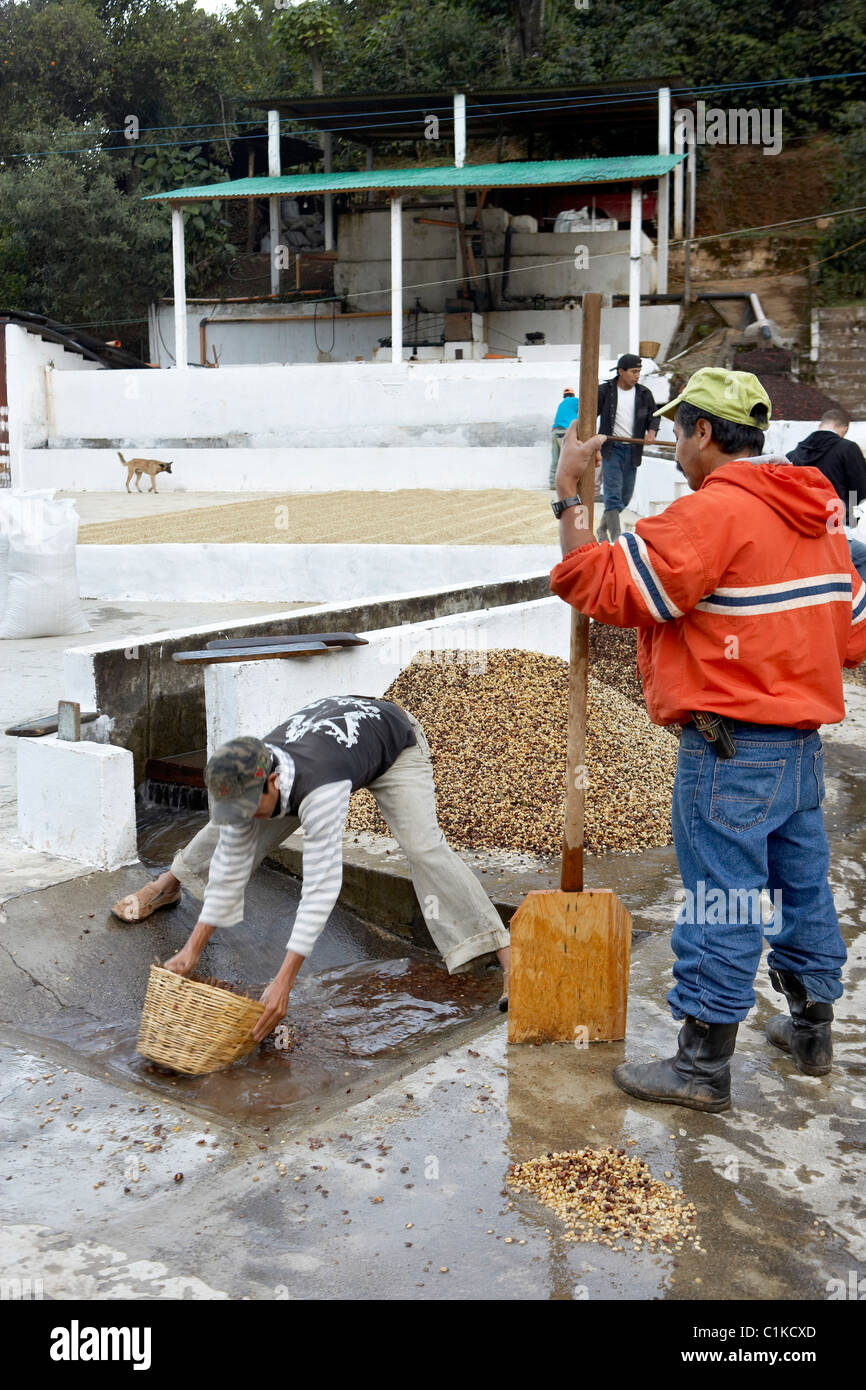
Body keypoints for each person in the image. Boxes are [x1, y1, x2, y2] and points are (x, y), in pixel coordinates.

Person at [548, 367, 866, 1112]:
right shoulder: (817, 516)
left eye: (676, 429)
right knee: (800, 890)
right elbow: (849, 639)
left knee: (722, 902)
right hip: (799, 750)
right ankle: (810, 1031)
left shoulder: (714, 515)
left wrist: (568, 493)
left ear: (703, 432)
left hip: (728, 753)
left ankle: (700, 1069)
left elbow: (597, 585)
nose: (668, 444)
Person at [113, 696, 510, 1040]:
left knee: (425, 850)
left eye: (250, 807)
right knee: (224, 829)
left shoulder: (321, 791)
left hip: (394, 741)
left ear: (272, 783)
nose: (246, 818)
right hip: (328, 734)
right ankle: (170, 884)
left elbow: (320, 889)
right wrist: (191, 951)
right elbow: (231, 865)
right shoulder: (252, 763)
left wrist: (283, 981)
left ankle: (511, 959)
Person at [787, 407, 866, 584]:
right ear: (844, 428)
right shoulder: (847, 448)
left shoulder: (796, 452)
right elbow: (860, 490)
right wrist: (851, 517)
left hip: (803, 529)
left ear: (821, 425)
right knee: (843, 585)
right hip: (836, 527)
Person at [595, 353, 660, 542]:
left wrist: (652, 432)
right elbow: (590, 413)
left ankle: (601, 529)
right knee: (613, 494)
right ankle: (615, 537)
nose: (637, 375)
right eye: (634, 371)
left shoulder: (644, 394)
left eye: (639, 371)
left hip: (633, 450)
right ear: (621, 372)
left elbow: (655, 416)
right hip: (611, 448)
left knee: (625, 496)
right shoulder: (605, 391)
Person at [550, 388, 580, 488]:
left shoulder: (561, 404)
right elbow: (588, 405)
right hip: (564, 432)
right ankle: (566, 485)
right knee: (567, 460)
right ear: (573, 395)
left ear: (564, 396)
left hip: (555, 432)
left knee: (556, 459)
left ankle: (552, 484)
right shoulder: (575, 401)